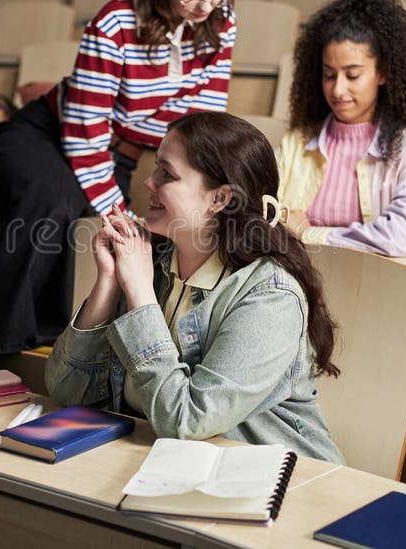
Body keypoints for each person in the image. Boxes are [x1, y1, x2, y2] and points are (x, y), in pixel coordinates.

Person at [0, 0, 237, 372]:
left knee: (137, 224)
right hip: (44, 136)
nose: (206, 5)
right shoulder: (116, 21)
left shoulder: (222, 19)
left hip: (114, 148)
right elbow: (85, 130)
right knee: (52, 201)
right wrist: (115, 207)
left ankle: (37, 352)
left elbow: (203, 115)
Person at [44, 112, 345, 463]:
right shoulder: (150, 261)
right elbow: (67, 391)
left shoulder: (271, 297)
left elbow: (186, 420)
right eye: (155, 168)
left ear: (220, 199)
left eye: (167, 174)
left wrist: (140, 294)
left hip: (280, 477)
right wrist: (109, 282)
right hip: (169, 467)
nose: (149, 182)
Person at [276, 0, 406, 257]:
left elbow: (401, 239)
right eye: (329, 75)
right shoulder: (296, 142)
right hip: (300, 277)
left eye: (352, 75)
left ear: (383, 72)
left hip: (377, 279)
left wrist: (307, 233)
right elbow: (261, 218)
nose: (338, 89)